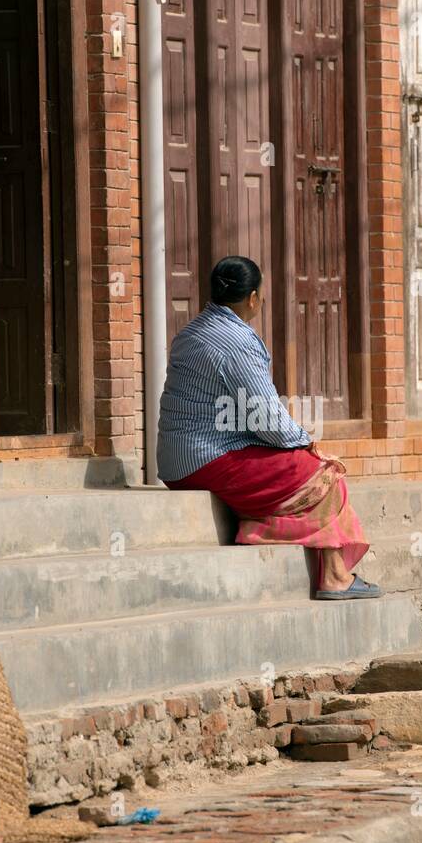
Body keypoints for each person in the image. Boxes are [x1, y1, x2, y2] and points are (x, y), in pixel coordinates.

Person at [158, 256, 381, 600]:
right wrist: (306, 443)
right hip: (207, 458)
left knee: (304, 468)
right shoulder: (236, 342)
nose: (261, 301)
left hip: (175, 463)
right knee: (324, 474)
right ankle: (335, 577)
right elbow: (266, 418)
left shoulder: (190, 332)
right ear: (252, 299)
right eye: (261, 294)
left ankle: (269, 532)